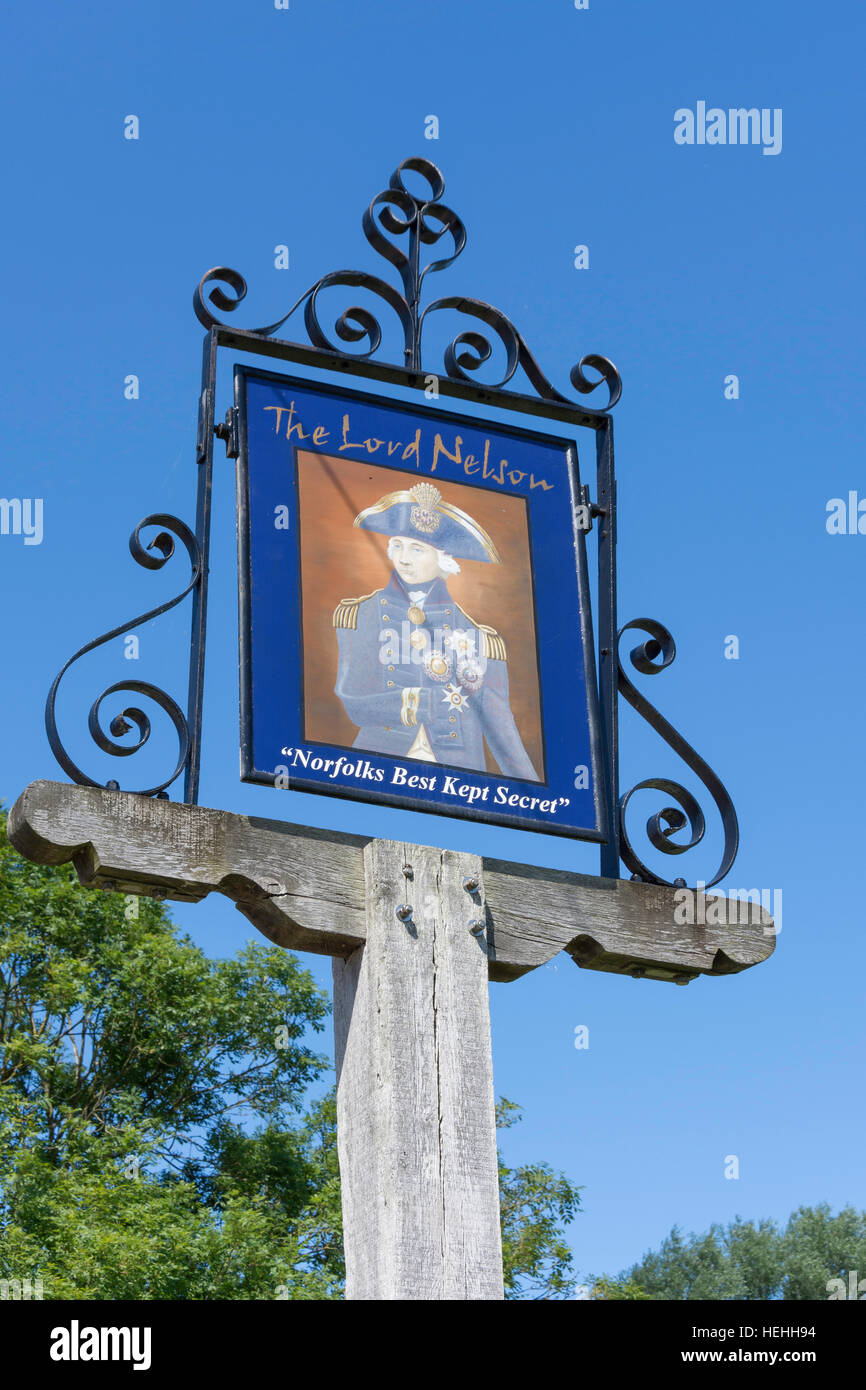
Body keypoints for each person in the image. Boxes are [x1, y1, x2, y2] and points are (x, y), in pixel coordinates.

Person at [332, 482, 539, 779]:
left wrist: (534, 799)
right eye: (398, 545)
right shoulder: (362, 613)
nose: (404, 558)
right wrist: (417, 702)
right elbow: (351, 698)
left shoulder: (479, 638)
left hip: (460, 779)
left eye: (417, 549)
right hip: (376, 769)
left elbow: (501, 728)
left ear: (443, 559)